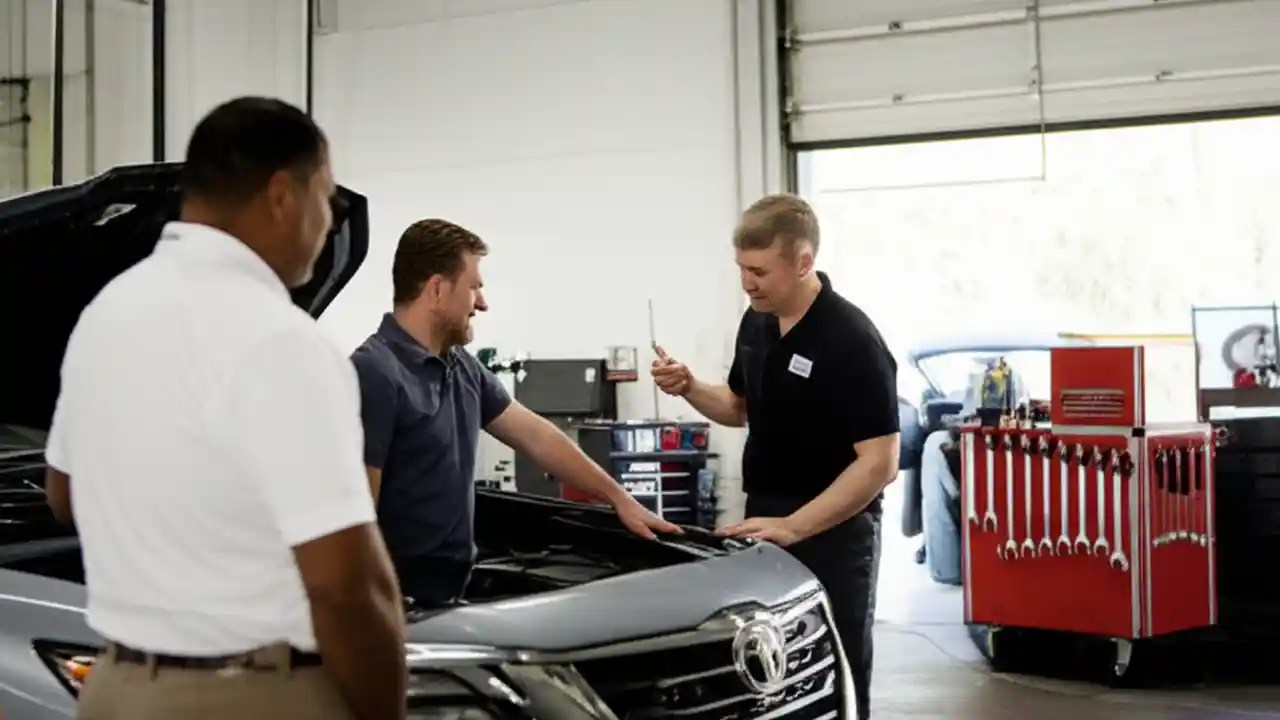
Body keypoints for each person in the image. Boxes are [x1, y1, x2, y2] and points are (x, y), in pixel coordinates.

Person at [44, 97, 406, 720]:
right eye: (326, 199)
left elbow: (63, 495)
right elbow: (345, 588)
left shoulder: (105, 315)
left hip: (112, 690)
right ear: (282, 196)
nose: (328, 225)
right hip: (248, 695)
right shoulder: (281, 341)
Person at [651, 193, 900, 720]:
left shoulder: (852, 339)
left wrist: (796, 526)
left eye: (759, 271)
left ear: (803, 262)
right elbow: (738, 407)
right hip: (765, 518)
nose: (747, 283)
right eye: (741, 268)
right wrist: (689, 386)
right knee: (769, 663)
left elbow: (880, 462)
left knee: (835, 666)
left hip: (834, 531)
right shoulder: (756, 323)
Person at [350, 218, 681, 606]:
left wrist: (619, 499)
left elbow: (536, 436)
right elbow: (357, 512)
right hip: (397, 602)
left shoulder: (462, 366)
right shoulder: (374, 373)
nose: (482, 303)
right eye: (474, 287)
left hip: (449, 593)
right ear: (437, 289)